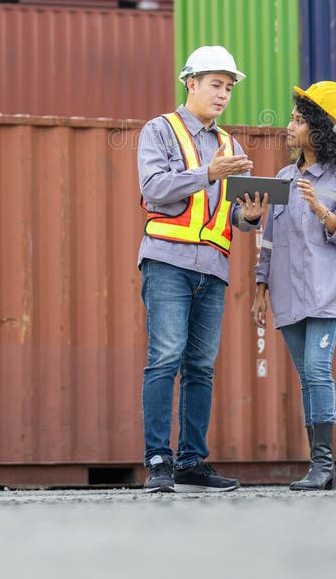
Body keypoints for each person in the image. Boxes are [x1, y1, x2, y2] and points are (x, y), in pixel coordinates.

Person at [138, 45, 267, 493]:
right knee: (164, 359)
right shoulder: (159, 131)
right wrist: (208, 173)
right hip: (168, 262)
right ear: (190, 83)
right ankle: (158, 460)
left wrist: (249, 217)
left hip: (212, 269)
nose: (224, 94)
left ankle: (192, 462)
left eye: (229, 87)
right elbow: (154, 190)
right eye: (216, 85)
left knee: (200, 367)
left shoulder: (230, 145)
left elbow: (227, 216)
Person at [251, 81, 336, 491]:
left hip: (326, 293)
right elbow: (268, 237)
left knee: (319, 372)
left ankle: (322, 466)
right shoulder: (284, 177)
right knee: (308, 378)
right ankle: (320, 469)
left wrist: (322, 209)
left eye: (299, 120)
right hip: (287, 295)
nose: (289, 126)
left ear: (319, 128)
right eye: (291, 118)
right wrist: (259, 287)